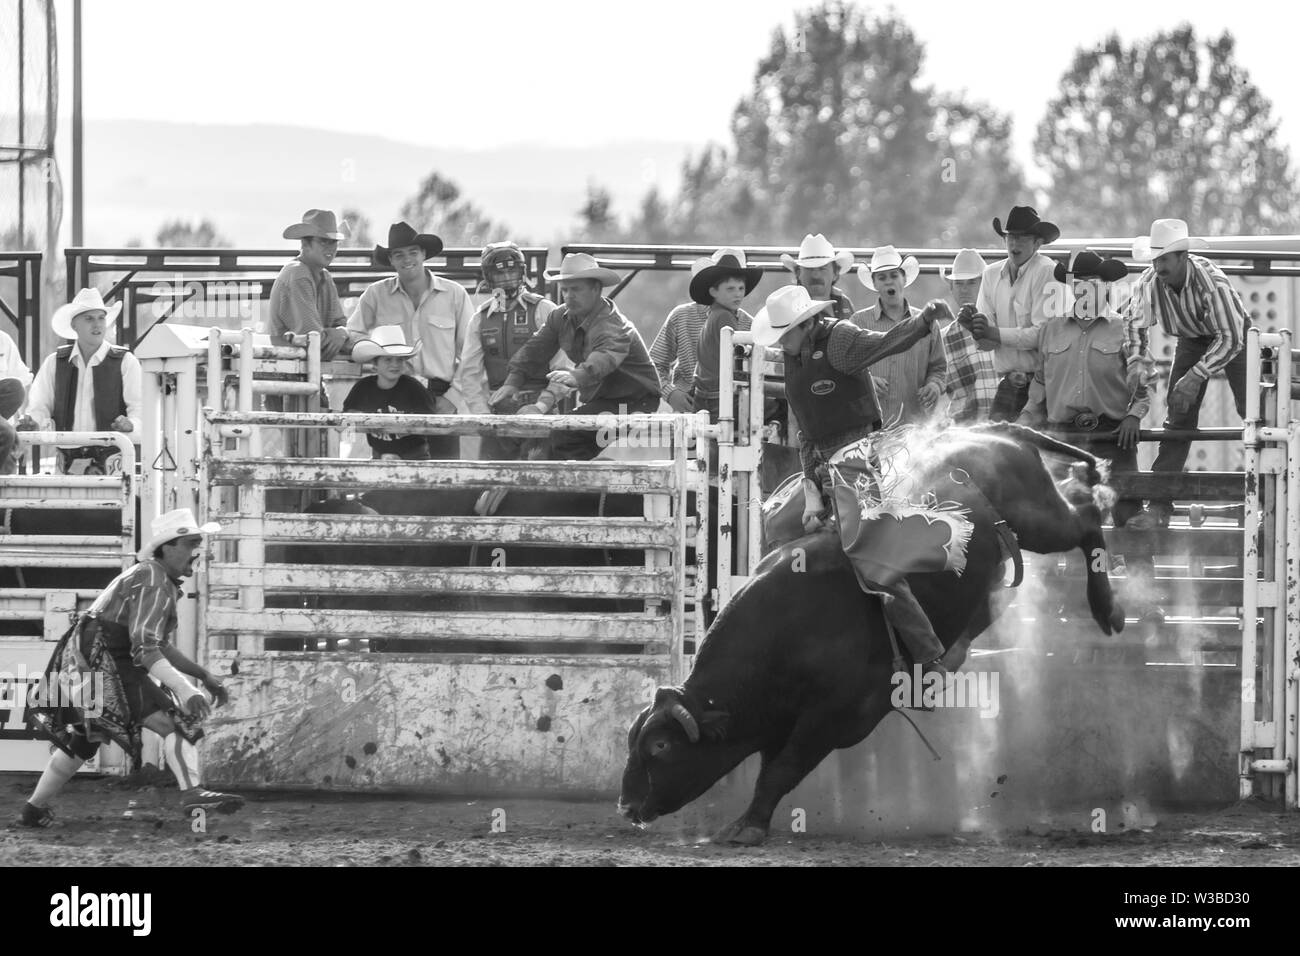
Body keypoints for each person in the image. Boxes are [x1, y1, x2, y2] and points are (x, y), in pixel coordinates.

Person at [751, 284, 952, 681]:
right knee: (777, 524)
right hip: (823, 463)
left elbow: (887, 342)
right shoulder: (797, 356)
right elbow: (807, 429)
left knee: (871, 560)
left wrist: (924, 321)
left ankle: (929, 657)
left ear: (805, 325)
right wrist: (810, 489)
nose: (781, 342)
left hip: (859, 454)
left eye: (785, 333)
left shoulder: (841, 339)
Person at [20, 508, 243, 827]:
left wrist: (202, 675)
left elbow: (156, 644)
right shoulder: (154, 580)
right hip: (107, 658)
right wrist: (185, 687)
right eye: (191, 543)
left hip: (93, 656)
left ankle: (33, 809)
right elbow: (146, 648)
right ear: (168, 547)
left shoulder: (151, 576)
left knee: (86, 739)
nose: (197, 550)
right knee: (177, 722)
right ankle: (193, 792)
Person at [1122, 219, 1249, 526]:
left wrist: (1194, 376)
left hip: (1235, 337)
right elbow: (1133, 324)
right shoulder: (1148, 283)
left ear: (1183, 257)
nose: (1158, 266)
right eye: (1155, 259)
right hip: (1192, 338)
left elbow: (1231, 338)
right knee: (1178, 415)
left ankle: (1267, 495)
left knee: (1252, 410)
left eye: (1164, 258)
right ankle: (1160, 506)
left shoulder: (1211, 282)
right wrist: (1138, 362)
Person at [1020, 250, 1152, 529]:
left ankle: (1139, 573)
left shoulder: (1125, 329)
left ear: (1105, 287)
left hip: (1114, 438)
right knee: (1066, 525)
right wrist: (1022, 421)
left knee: (1129, 521)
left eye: (1092, 282)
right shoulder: (1051, 330)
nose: (1084, 289)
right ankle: (1078, 574)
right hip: (1064, 440)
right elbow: (1041, 385)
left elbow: (1143, 381)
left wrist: (1134, 415)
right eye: (1078, 283)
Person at [492, 253, 660, 461]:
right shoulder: (560, 317)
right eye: (565, 290)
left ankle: (578, 489)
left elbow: (605, 356)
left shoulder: (612, 325)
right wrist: (512, 382)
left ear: (596, 289)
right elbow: (534, 350)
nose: (569, 296)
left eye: (576, 289)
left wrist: (578, 376)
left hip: (635, 403)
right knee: (557, 438)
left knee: (566, 434)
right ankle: (583, 487)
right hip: (603, 399)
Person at [348, 222, 474, 458]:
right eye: (399, 254)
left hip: (440, 398)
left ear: (424, 254)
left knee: (444, 479)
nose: (407, 259)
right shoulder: (376, 294)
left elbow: (470, 353)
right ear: (391, 260)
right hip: (393, 398)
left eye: (413, 252)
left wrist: (453, 397)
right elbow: (353, 334)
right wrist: (376, 354)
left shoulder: (455, 294)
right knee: (391, 481)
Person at [459, 241, 571, 460]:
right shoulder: (479, 319)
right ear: (489, 277)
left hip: (541, 412)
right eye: (500, 272)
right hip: (497, 417)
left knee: (540, 487)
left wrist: (540, 407)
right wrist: (483, 417)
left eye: (512, 269)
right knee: (487, 484)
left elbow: (563, 369)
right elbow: (469, 375)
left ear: (522, 272)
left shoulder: (544, 309)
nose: (507, 277)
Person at [17, 288, 142, 475]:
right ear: (74, 325)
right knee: (69, 504)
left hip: (113, 461)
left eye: (101, 318)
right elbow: (39, 407)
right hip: (67, 462)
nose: (97, 324)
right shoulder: (55, 362)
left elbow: (140, 408)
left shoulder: (126, 361)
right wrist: (33, 423)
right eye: (89, 318)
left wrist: (131, 424)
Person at [968, 206, 1063, 421]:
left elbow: (1042, 336)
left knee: (1028, 449)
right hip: (1008, 383)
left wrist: (990, 332)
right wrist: (977, 330)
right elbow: (986, 342)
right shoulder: (991, 274)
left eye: (1022, 238)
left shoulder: (1047, 271)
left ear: (1037, 243)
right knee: (993, 448)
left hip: (1043, 385)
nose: (1014, 243)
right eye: (1010, 237)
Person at [851, 246, 946, 427]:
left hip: (914, 426)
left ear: (904, 279)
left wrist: (934, 385)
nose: (889, 282)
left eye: (894, 275)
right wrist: (866, 382)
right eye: (882, 277)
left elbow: (939, 367)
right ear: (875, 284)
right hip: (869, 427)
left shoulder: (929, 323)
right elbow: (846, 370)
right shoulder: (858, 322)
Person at [268, 209, 366, 361]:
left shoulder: (325, 277)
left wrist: (342, 333)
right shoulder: (298, 274)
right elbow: (314, 339)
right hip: (286, 367)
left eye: (333, 242)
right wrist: (341, 334)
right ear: (305, 244)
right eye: (323, 241)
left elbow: (343, 327)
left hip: (304, 367)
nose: (330, 248)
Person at [343, 327, 444, 460]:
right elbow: (346, 422)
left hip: (414, 455)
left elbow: (431, 424)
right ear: (375, 364)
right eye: (388, 360)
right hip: (378, 455)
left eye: (399, 360)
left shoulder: (414, 388)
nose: (395, 364)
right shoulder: (363, 388)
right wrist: (350, 439)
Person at [691, 248, 761, 423]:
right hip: (720, 396)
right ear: (713, 291)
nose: (737, 293)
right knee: (774, 407)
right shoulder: (725, 317)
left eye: (740, 288)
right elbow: (736, 355)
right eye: (730, 289)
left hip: (704, 394)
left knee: (710, 445)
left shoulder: (714, 315)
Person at [938, 249, 998, 424]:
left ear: (984, 285)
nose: (964, 289)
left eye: (972, 282)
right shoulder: (941, 340)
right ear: (951, 288)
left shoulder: (1004, 326)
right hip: (965, 433)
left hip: (1008, 427)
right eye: (959, 283)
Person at [649, 257, 713, 414]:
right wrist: (670, 393)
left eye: (737, 287)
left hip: (736, 408)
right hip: (688, 406)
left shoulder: (747, 323)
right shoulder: (681, 316)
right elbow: (654, 364)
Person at [780, 233, 857, 321]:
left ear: (835, 273)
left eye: (822, 268)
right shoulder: (789, 307)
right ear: (798, 273)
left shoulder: (844, 303)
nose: (815, 275)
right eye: (809, 269)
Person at [0, 325, 32, 423]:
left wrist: (23, 417)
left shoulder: (2, 340)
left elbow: (24, 381)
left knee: (15, 388)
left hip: (3, 430)